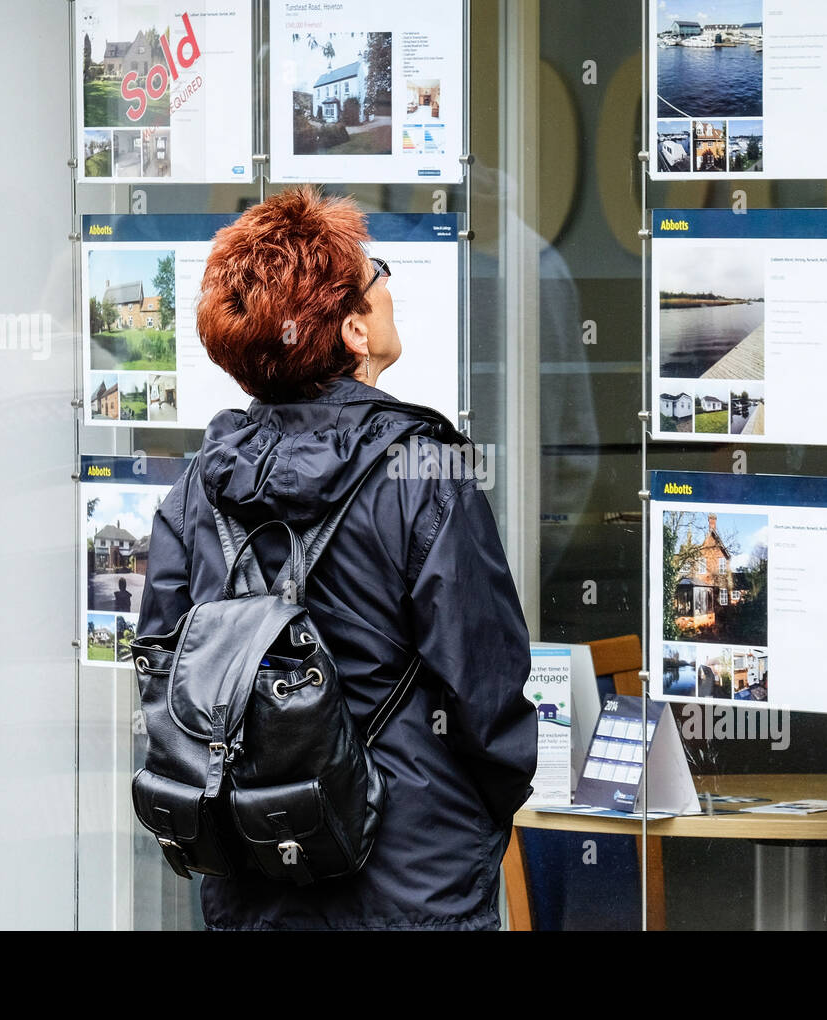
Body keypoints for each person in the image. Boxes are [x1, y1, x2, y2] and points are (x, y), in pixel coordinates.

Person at [136, 185, 538, 931]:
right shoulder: (426, 475)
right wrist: (471, 814)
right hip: (413, 883)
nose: (389, 285)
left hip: (255, 868)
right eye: (375, 272)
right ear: (354, 329)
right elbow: (487, 688)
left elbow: (162, 669)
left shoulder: (199, 485)